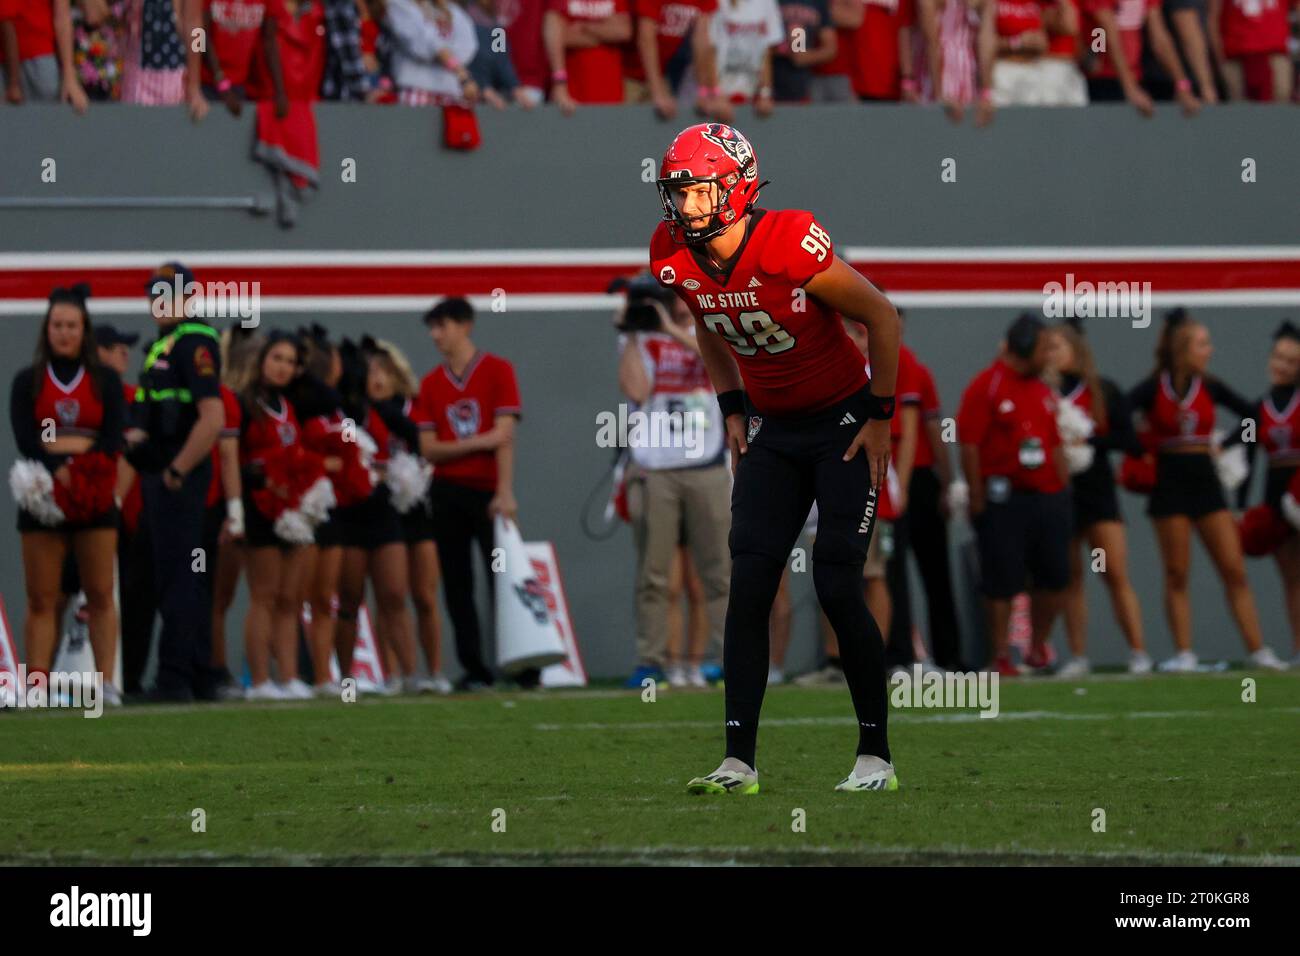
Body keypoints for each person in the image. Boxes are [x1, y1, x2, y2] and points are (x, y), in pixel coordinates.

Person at [651, 123, 902, 794]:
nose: (683, 208)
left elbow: (882, 315)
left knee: (837, 580)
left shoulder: (787, 239)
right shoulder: (673, 253)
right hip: (775, 430)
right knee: (749, 583)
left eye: (696, 193)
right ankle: (739, 761)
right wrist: (731, 405)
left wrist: (881, 418)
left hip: (845, 420)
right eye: (676, 194)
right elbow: (707, 320)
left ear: (734, 187)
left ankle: (875, 757)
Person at [1127, 310, 1287, 671]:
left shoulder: (1210, 387)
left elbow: (1253, 416)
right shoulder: (1154, 388)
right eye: (1202, 344)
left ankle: (1258, 650)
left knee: (1233, 568)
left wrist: (1226, 443)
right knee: (1177, 572)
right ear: (1183, 349)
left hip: (1205, 481)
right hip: (1169, 483)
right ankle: (1185, 653)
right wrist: (1141, 446)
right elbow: (1118, 410)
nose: (1210, 350)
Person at [10, 286, 125, 705]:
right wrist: (59, 470)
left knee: (98, 592)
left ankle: (106, 685)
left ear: (84, 330)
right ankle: (37, 686)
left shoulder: (105, 380)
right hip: (43, 495)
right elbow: (25, 436)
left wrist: (84, 472)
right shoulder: (29, 380)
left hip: (92, 495)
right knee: (42, 596)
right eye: (57, 325)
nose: (64, 333)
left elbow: (113, 435)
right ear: (47, 329)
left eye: (71, 326)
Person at [617, 276, 730, 690]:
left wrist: (671, 329)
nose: (676, 310)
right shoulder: (641, 339)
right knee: (655, 573)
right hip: (656, 467)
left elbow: (722, 361)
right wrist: (630, 332)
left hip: (707, 464)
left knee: (719, 572)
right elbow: (637, 389)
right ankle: (652, 661)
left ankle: (728, 658)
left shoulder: (713, 327)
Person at [125, 263, 226, 701]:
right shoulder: (161, 345)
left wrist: (176, 471)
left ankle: (175, 679)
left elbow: (212, 418)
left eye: (165, 293)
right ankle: (196, 674)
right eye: (153, 293)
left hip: (176, 480)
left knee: (180, 577)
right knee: (178, 575)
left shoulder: (194, 342)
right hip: (160, 475)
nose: (156, 302)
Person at [415, 297, 524, 691]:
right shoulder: (429, 383)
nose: (435, 335)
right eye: (433, 328)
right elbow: (429, 448)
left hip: (488, 493)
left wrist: (505, 491)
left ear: (465, 325)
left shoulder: (498, 370)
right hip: (446, 493)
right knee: (457, 584)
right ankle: (474, 668)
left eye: (441, 326)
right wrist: (483, 440)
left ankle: (521, 662)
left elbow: (506, 439)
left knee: (504, 581)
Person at [956, 314, 1070, 677]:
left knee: (1055, 575)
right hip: (1003, 497)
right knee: (1002, 579)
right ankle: (1001, 653)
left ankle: (1037, 647)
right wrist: (976, 495)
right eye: (1044, 347)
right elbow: (970, 443)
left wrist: (1064, 488)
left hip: (1047, 495)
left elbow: (1054, 443)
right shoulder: (986, 385)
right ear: (1024, 346)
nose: (1049, 355)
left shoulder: (1042, 388)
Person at [1037, 321, 1151, 676]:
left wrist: (1087, 442)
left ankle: (1138, 652)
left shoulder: (1102, 390)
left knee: (1114, 572)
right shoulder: (1042, 391)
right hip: (1060, 494)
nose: (1052, 354)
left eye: (1058, 347)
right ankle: (1078, 656)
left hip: (1098, 495)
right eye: (1048, 348)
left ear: (1076, 349)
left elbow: (1129, 441)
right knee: (1071, 579)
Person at [365, 340, 450, 692]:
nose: (377, 378)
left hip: (420, 507)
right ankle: (395, 673)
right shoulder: (364, 414)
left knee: (425, 595)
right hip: (384, 507)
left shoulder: (416, 408)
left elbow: (429, 447)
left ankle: (434, 672)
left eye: (383, 370)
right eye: (371, 372)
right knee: (390, 595)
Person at [238, 332, 317, 700]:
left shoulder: (293, 403)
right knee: (264, 595)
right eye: (276, 358)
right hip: (260, 507)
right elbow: (235, 460)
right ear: (260, 360)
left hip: (294, 509)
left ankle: (288, 677)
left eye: (290, 361)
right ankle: (259, 681)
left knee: (291, 598)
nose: (283, 367)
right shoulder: (244, 404)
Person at [1247, 322, 1300, 664]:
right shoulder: (1260, 407)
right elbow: (1247, 449)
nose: (1281, 365)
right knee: (1292, 578)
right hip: (1276, 494)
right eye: (1278, 357)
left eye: (1291, 360)